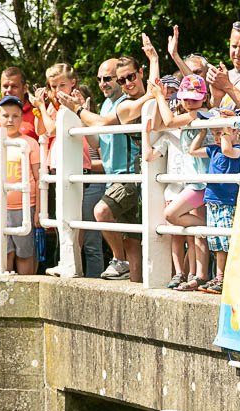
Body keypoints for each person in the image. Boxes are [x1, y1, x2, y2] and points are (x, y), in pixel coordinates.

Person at [61, 39, 160, 283]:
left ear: (139, 74)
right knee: (132, 240)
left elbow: (106, 122)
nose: (126, 83)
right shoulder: (111, 103)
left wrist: (78, 112)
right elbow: (98, 141)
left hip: (131, 178)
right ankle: (134, 286)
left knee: (102, 211)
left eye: (128, 78)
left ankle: (119, 259)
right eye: (122, 79)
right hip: (116, 177)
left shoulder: (127, 104)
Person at [0, 66, 44, 273]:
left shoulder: (30, 135)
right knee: (0, 249)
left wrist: (40, 209)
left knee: (25, 251)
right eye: (5, 85)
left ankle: (28, 293)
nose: (10, 120)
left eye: (14, 86)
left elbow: (39, 174)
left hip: (25, 204)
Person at [38, 63, 104, 278]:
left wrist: (42, 108)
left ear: (72, 83)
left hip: (77, 167)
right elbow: (43, 131)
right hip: (60, 166)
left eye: (62, 85)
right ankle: (67, 262)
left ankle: (81, 268)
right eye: (53, 86)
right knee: (64, 220)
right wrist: (43, 107)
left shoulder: (75, 104)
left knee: (79, 224)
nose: (58, 91)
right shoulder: (55, 106)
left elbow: (52, 128)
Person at [147, 73, 211, 291]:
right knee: (194, 230)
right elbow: (158, 125)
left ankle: (209, 234)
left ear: (204, 98)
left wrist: (159, 97)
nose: (190, 102)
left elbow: (170, 121)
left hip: (201, 182)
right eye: (186, 98)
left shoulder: (201, 114)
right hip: (194, 182)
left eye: (195, 97)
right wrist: (159, 99)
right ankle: (200, 275)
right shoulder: (190, 115)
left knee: (172, 215)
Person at [192, 117, 240, 294]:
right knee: (216, 243)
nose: (217, 138)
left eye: (220, 134)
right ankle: (219, 276)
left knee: (226, 242)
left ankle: (223, 278)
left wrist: (227, 130)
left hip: (227, 202)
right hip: (212, 200)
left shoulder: (238, 150)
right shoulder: (214, 150)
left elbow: (227, 150)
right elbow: (192, 151)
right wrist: (203, 132)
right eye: (216, 134)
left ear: (235, 133)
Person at [207, 21, 240, 109]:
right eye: (234, 46)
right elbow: (213, 114)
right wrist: (216, 98)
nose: (237, 53)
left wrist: (226, 86)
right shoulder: (223, 77)